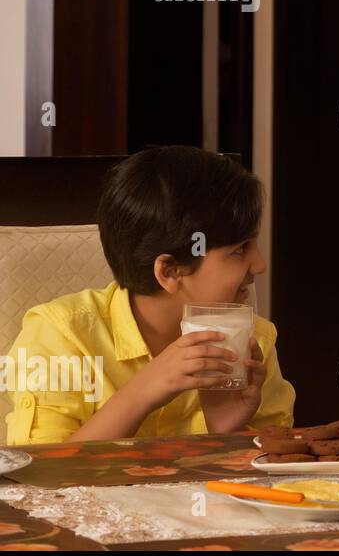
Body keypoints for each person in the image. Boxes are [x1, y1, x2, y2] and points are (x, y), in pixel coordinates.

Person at [5, 147, 295, 444]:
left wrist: (224, 434)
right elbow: (40, 474)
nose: (260, 264)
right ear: (169, 271)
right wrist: (144, 390)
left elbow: (276, 469)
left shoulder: (255, 341)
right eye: (239, 250)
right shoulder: (61, 335)